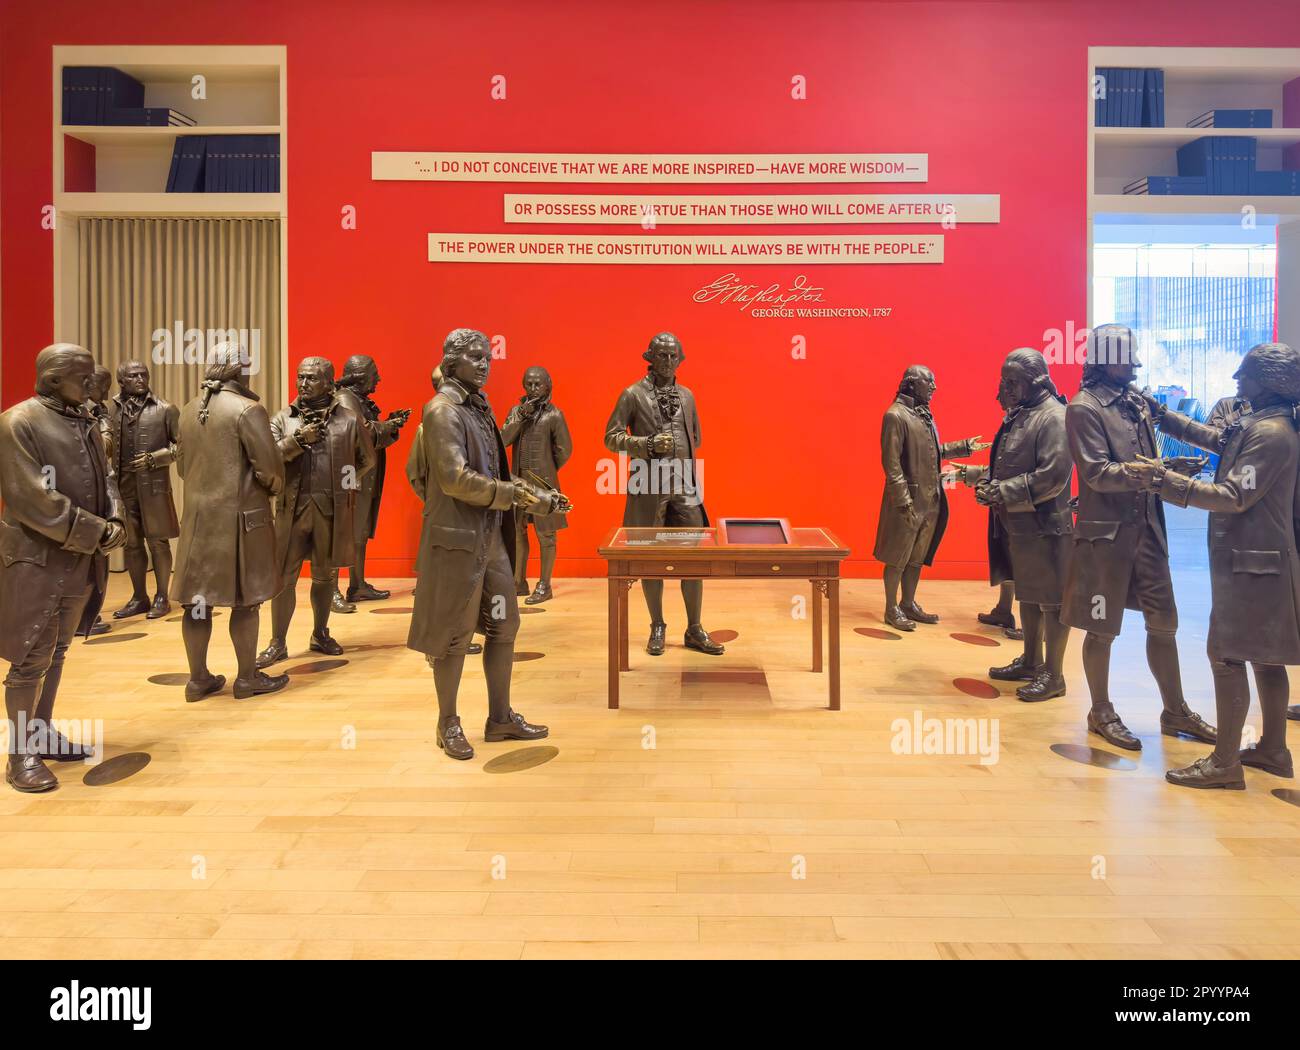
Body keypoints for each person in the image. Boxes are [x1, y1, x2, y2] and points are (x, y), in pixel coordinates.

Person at [1128, 343, 1300, 789]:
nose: (1237, 382)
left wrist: (1165, 481)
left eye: (1245, 375)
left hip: (1252, 565)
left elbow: (1233, 497)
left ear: (1269, 380)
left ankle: (1225, 763)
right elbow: (1221, 440)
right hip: (1256, 561)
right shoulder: (1263, 424)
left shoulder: (1272, 434)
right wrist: (1164, 417)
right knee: (1264, 660)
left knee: (1225, 655)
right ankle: (1274, 750)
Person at [407, 329, 566, 760]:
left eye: (487, 358)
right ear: (451, 361)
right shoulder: (442, 411)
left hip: (490, 537)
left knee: (504, 625)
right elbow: (454, 479)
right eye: (474, 358)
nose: (484, 364)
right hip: (458, 540)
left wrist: (534, 495)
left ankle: (500, 719)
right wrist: (509, 494)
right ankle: (447, 723)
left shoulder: (479, 407)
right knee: (454, 636)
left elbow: (492, 470)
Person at [1060, 324, 1216, 751]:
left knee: (1165, 622)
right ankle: (1100, 710)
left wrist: (1167, 469)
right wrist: (1150, 474)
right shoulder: (1083, 408)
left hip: (1147, 531)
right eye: (1128, 356)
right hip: (1104, 540)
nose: (1136, 364)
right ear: (1103, 359)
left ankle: (1175, 710)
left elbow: (1145, 459)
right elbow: (1095, 473)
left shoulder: (1136, 403)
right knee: (1101, 629)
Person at [0, 344, 126, 791]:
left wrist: (115, 519)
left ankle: (41, 729)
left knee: (58, 650)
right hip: (36, 560)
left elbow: (106, 477)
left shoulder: (84, 419)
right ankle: (19, 755)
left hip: (78, 557)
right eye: (85, 377)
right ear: (55, 380)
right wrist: (96, 531)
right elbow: (32, 498)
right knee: (30, 657)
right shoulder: (19, 423)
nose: (95, 384)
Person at [171, 343, 290, 702]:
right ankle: (247, 677)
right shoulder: (248, 409)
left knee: (196, 603)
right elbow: (269, 469)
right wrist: (274, 488)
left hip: (196, 520)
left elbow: (180, 467)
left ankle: (197, 679)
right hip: (241, 520)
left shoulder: (189, 410)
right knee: (246, 600)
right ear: (240, 371)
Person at [957, 350, 1073, 701]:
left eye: (1010, 382)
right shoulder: (1022, 414)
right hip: (1020, 522)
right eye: (1003, 381)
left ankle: (1054, 675)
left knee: (1051, 602)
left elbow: (1052, 476)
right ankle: (1031, 660)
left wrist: (1001, 491)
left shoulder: (1053, 417)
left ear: (1034, 381)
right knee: (1029, 595)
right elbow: (1010, 464)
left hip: (1046, 525)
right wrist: (986, 483)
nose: (1003, 389)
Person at [604, 332, 724, 656]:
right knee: (648, 559)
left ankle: (695, 628)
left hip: (684, 485)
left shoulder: (688, 396)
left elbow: (695, 436)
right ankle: (657, 624)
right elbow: (611, 437)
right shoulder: (631, 394)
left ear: (680, 359)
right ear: (650, 358)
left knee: (694, 556)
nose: (668, 362)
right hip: (647, 486)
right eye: (662, 356)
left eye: (674, 356)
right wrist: (645, 444)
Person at [257, 357, 375, 668]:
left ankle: (320, 633)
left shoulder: (349, 420)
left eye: (311, 378)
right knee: (284, 578)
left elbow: (366, 460)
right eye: (300, 377)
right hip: (291, 509)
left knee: (325, 575)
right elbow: (269, 457)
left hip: (331, 510)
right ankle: (277, 642)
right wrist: (297, 440)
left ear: (328, 382)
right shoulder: (283, 418)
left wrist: (345, 486)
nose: (303, 383)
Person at [873, 365, 987, 631]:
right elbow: (891, 465)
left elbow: (934, 452)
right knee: (897, 557)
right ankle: (891, 608)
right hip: (909, 501)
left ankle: (908, 603)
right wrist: (903, 502)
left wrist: (964, 447)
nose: (934, 387)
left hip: (931, 500)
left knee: (916, 557)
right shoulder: (895, 415)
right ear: (912, 384)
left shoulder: (924, 416)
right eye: (929, 382)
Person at [332, 354, 410, 608]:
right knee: (341, 534)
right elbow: (362, 433)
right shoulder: (345, 399)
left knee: (359, 533)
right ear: (361, 377)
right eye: (374, 374)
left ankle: (358, 585)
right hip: (350, 479)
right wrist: (388, 425)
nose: (378, 378)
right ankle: (331, 591)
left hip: (363, 478)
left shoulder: (358, 400)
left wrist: (389, 424)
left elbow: (371, 431)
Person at [108, 360, 179, 620]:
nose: (140, 379)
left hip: (154, 489)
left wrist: (156, 458)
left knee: (158, 542)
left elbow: (183, 447)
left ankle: (162, 595)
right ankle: (139, 596)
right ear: (122, 381)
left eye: (143, 375)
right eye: (133, 375)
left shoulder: (164, 409)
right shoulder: (111, 410)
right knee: (132, 544)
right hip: (124, 488)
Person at [501, 366, 572, 604]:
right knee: (518, 532)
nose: (532, 389)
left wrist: (548, 471)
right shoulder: (516, 412)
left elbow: (564, 450)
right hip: (518, 483)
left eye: (537, 384)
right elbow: (502, 441)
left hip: (545, 485)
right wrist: (521, 415)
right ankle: (518, 581)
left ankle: (545, 584)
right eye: (529, 384)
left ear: (547, 386)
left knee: (546, 535)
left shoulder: (554, 415)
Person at [83, 364, 116, 636]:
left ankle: (87, 616)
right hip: (86, 494)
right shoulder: (87, 413)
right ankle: (87, 618)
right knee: (92, 560)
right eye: (102, 385)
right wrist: (105, 423)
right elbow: (103, 449)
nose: (106, 391)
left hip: (92, 491)